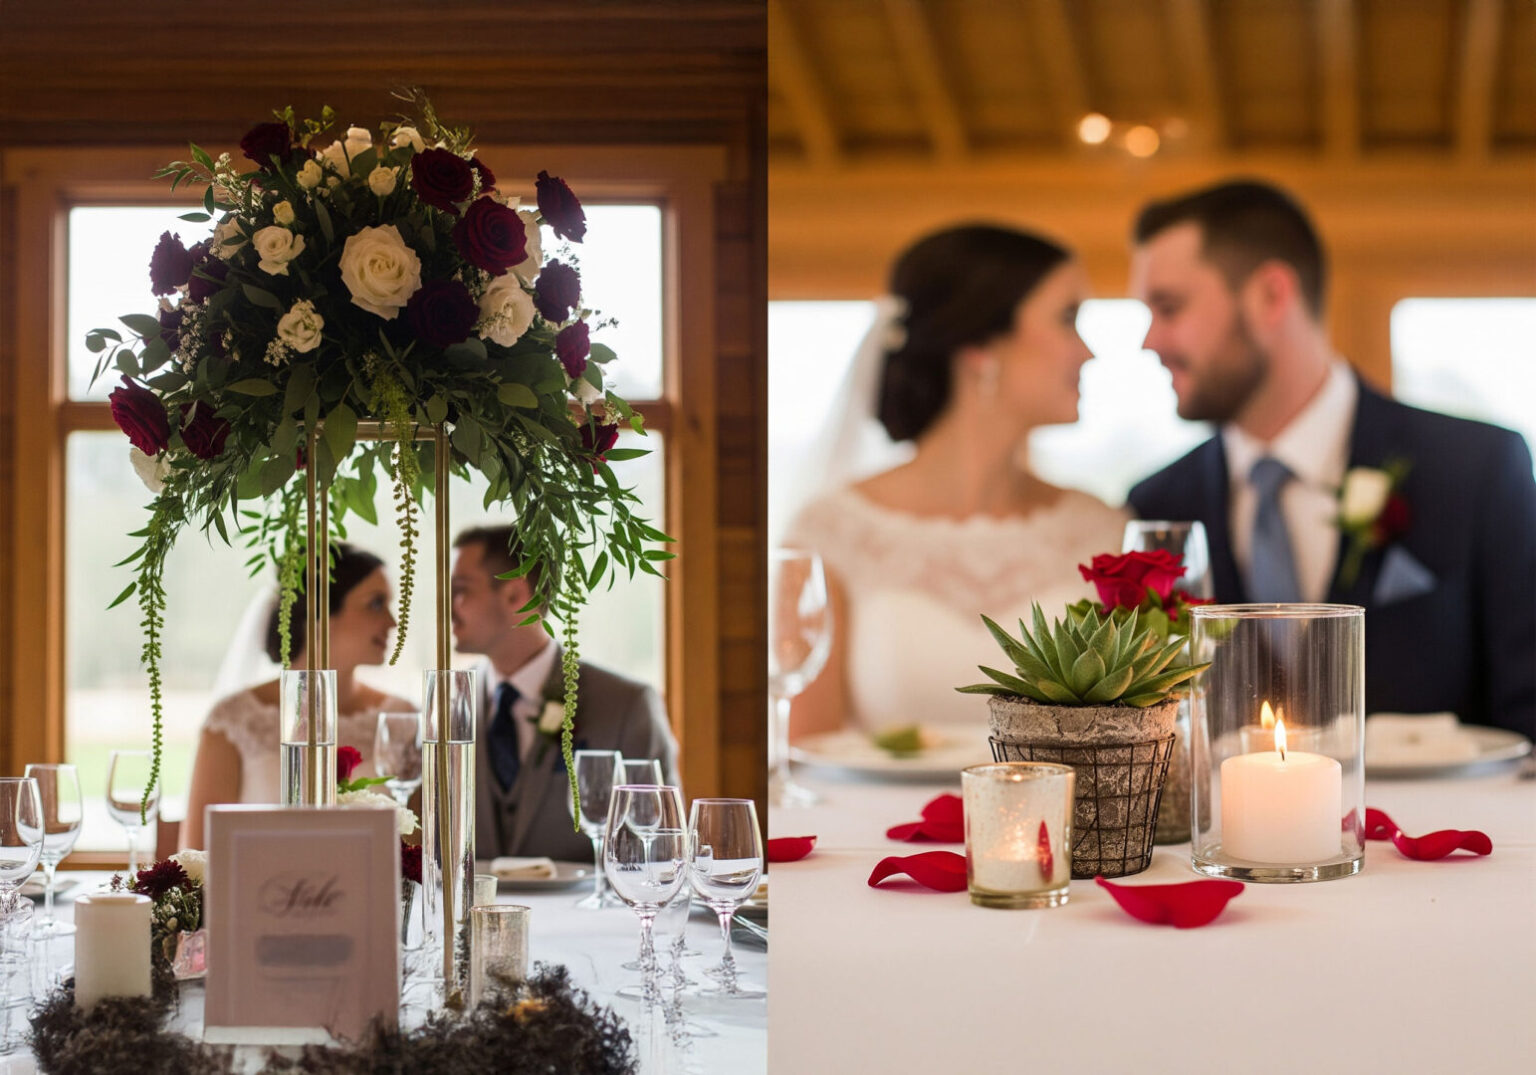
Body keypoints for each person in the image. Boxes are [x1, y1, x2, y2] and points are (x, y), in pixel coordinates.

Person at [1126, 178, 1535, 737]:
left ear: (1271, 296)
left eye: (1169, 307)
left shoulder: (1478, 468)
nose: (1149, 341)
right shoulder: (1157, 503)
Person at [786, 224, 1128, 740]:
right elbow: (807, 752)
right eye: (1066, 319)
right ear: (978, 346)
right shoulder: (831, 533)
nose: (1087, 352)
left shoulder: (1100, 529)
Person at [450, 525, 678, 861]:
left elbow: (659, 847)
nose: (447, 607)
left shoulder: (627, 706)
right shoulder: (449, 702)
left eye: (460, 591)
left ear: (515, 595)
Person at [181, 544, 415, 849]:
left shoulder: (402, 717)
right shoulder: (234, 720)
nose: (392, 622)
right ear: (319, 613)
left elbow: (417, 847)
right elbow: (199, 854)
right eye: (375, 604)